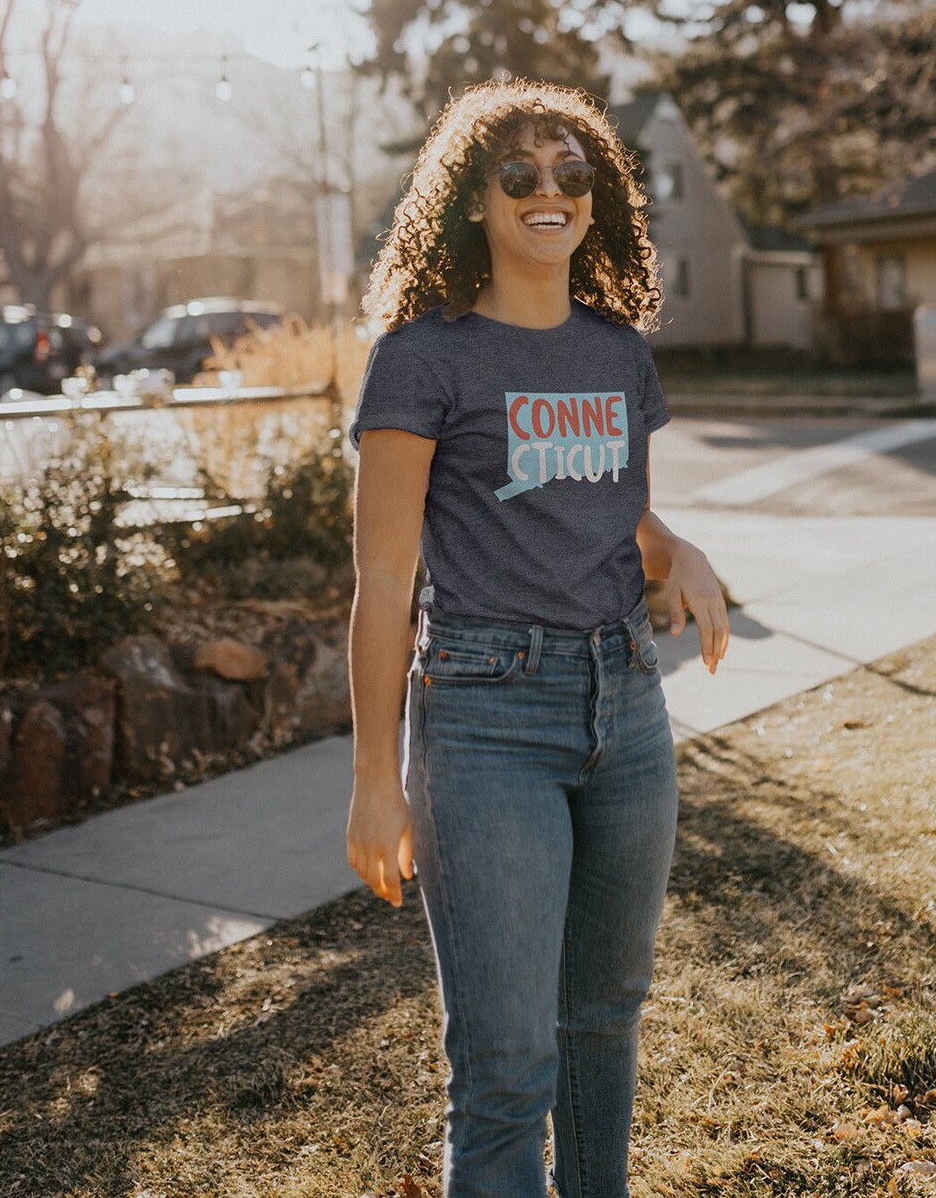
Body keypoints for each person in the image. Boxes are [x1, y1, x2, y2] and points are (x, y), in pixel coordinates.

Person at [346, 78, 729, 1198]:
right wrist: (376, 776)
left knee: (605, 1024)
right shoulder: (421, 358)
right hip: (482, 715)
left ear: (597, 196)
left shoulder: (618, 354)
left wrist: (682, 555)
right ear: (473, 200)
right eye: (519, 175)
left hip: (626, 707)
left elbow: (617, 508)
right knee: (508, 1063)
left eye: (571, 174)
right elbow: (380, 576)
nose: (547, 191)